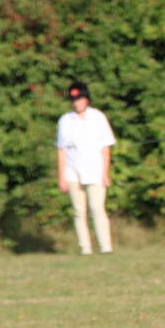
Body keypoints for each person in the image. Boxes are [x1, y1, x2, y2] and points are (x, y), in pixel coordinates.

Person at [55, 81, 116, 255]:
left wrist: (105, 173)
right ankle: (85, 248)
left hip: (95, 171)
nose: (77, 103)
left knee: (97, 209)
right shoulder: (65, 121)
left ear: (86, 99)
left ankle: (105, 247)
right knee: (78, 212)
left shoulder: (98, 117)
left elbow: (106, 147)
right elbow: (62, 150)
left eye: (80, 99)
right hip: (73, 172)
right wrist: (62, 177)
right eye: (74, 100)